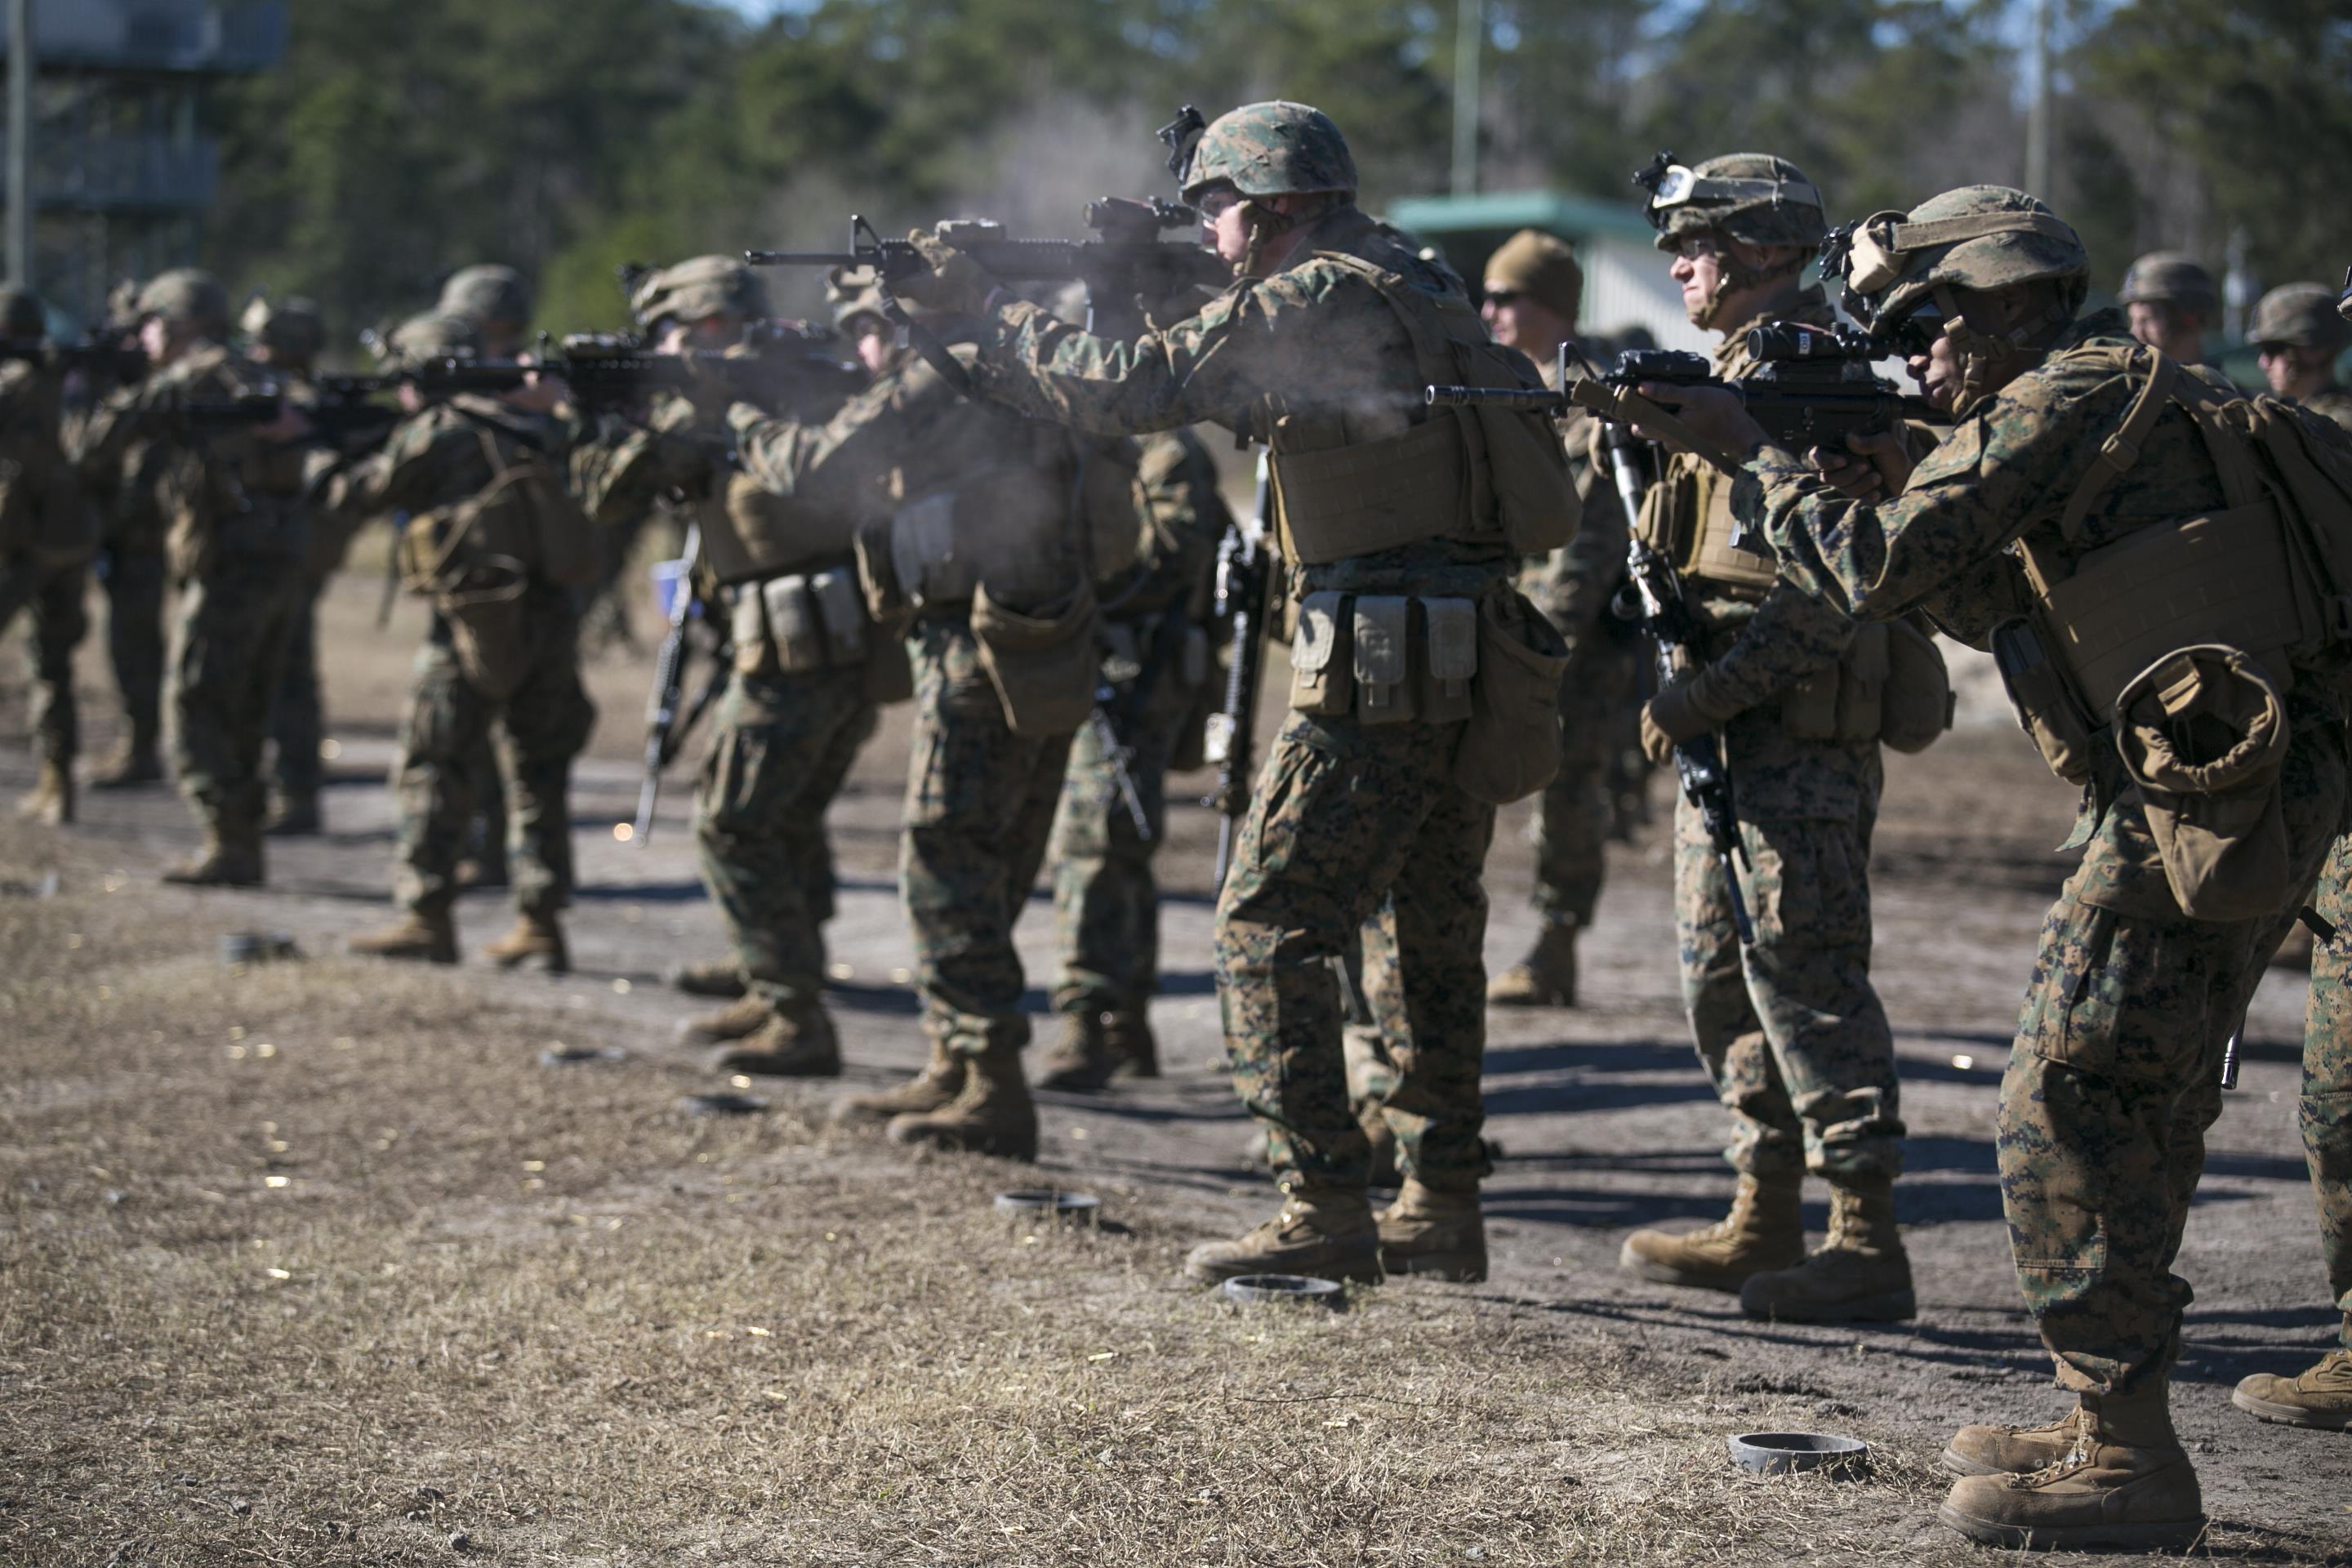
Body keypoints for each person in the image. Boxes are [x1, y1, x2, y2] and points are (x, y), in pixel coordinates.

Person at [1657, 184, 2352, 1549]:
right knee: (2134, 1097)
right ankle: (2108, 1421)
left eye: (1927, 321)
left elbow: (1876, 570)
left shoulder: (2068, 392)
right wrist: (1866, 467)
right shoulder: (2122, 396)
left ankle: (2130, 1463)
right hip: (2220, 781)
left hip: (2189, 797)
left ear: (2005, 296)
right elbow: (1995, 598)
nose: (1914, 355)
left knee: (2062, 1103)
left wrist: (1767, 460)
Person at [893, 100, 1579, 1283]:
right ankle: (1438, 1201)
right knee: (1424, 934)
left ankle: (1321, 1201)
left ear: (1264, 214)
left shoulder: (1314, 292)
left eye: (1213, 215)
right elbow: (1250, 377)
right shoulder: (1411, 279)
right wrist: (1147, 282)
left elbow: (1124, 392)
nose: (1206, 236)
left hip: (1380, 661)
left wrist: (985, 311)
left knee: (1269, 927)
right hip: (1462, 652)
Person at [731, 270, 1138, 1162]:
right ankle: (956, 1059)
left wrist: (736, 418)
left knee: (947, 857)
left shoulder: (940, 370)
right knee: (989, 856)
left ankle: (990, 1082)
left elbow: (808, 468)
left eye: (869, 329)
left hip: (974, 647)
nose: (862, 352)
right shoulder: (1019, 366)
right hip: (1037, 638)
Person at [1605, 154, 1915, 1325]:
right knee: (1723, 988)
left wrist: (1709, 696)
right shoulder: (1725, 379)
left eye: (1705, 240)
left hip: (1792, 744)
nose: (1680, 259)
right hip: (1729, 751)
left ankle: (1867, 1238)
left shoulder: (1816, 387)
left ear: (1773, 254)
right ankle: (1765, 1214)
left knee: (1810, 984)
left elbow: (1834, 590)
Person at [581, 256, 880, 1073]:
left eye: (692, 331)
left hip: (801, 646)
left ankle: (795, 1012)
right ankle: (774, 974)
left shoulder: (769, 393)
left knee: (735, 825)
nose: (690, 347)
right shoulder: (793, 383)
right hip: (813, 646)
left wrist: (620, 418)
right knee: (778, 820)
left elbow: (605, 493)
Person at [327, 312, 597, 969]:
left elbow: (356, 496)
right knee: (539, 772)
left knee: (434, 763)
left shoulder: (441, 429)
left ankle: (426, 912)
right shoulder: (538, 421)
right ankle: (540, 922)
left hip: (470, 622)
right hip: (551, 617)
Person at [73, 270, 312, 884]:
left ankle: (229, 842)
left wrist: (111, 381)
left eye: (150, 328)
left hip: (228, 565)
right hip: (281, 561)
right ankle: (242, 839)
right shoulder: (257, 373)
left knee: (196, 703)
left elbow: (93, 445)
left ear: (174, 325)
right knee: (247, 706)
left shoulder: (188, 378)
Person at [1477, 228, 1629, 1009]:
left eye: (1508, 297)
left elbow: (1587, 550)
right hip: (1514, 626)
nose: (1490, 310)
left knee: (1568, 793)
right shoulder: (1509, 387)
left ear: (1551, 307)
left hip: (1577, 647)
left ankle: (1555, 944)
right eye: (1489, 296)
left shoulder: (1589, 399)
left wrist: (1540, 656)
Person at [241, 293, 338, 836]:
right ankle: (295, 791)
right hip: (293, 556)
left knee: (282, 677)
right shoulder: (300, 398)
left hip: (285, 557)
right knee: (290, 677)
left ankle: (294, 792)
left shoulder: (299, 404)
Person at [0, 287, 97, 824]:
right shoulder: (71, 382)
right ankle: (57, 782)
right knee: (52, 664)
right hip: (71, 536)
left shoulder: (16, 385)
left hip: (23, 540)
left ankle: (55, 782)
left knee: (49, 661)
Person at [2250, 281, 2352, 433]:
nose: (2263, 362)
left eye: (2272, 349)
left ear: (2314, 350)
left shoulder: (2336, 428)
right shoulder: (2298, 418)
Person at [2116, 251, 2214, 365]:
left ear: (2190, 318)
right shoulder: (2123, 381)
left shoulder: (2217, 383)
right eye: (2132, 320)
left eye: (2147, 319)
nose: (2136, 332)